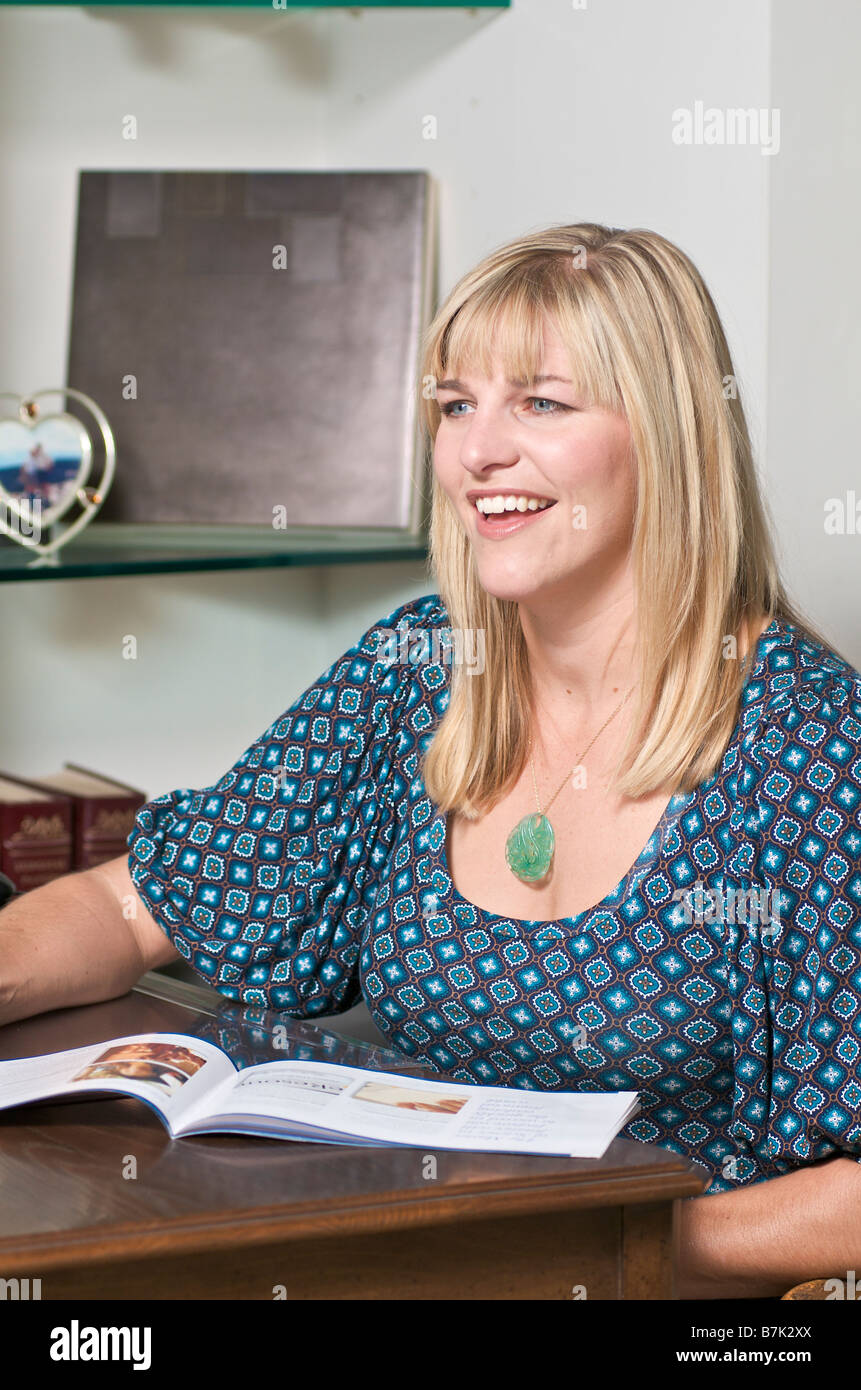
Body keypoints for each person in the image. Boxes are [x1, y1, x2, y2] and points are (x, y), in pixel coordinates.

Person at [1, 222, 859, 1298]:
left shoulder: (814, 748)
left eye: (540, 403)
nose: (477, 452)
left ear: (671, 433)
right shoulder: (418, 667)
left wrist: (570, 1252)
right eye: (457, 405)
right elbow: (134, 909)